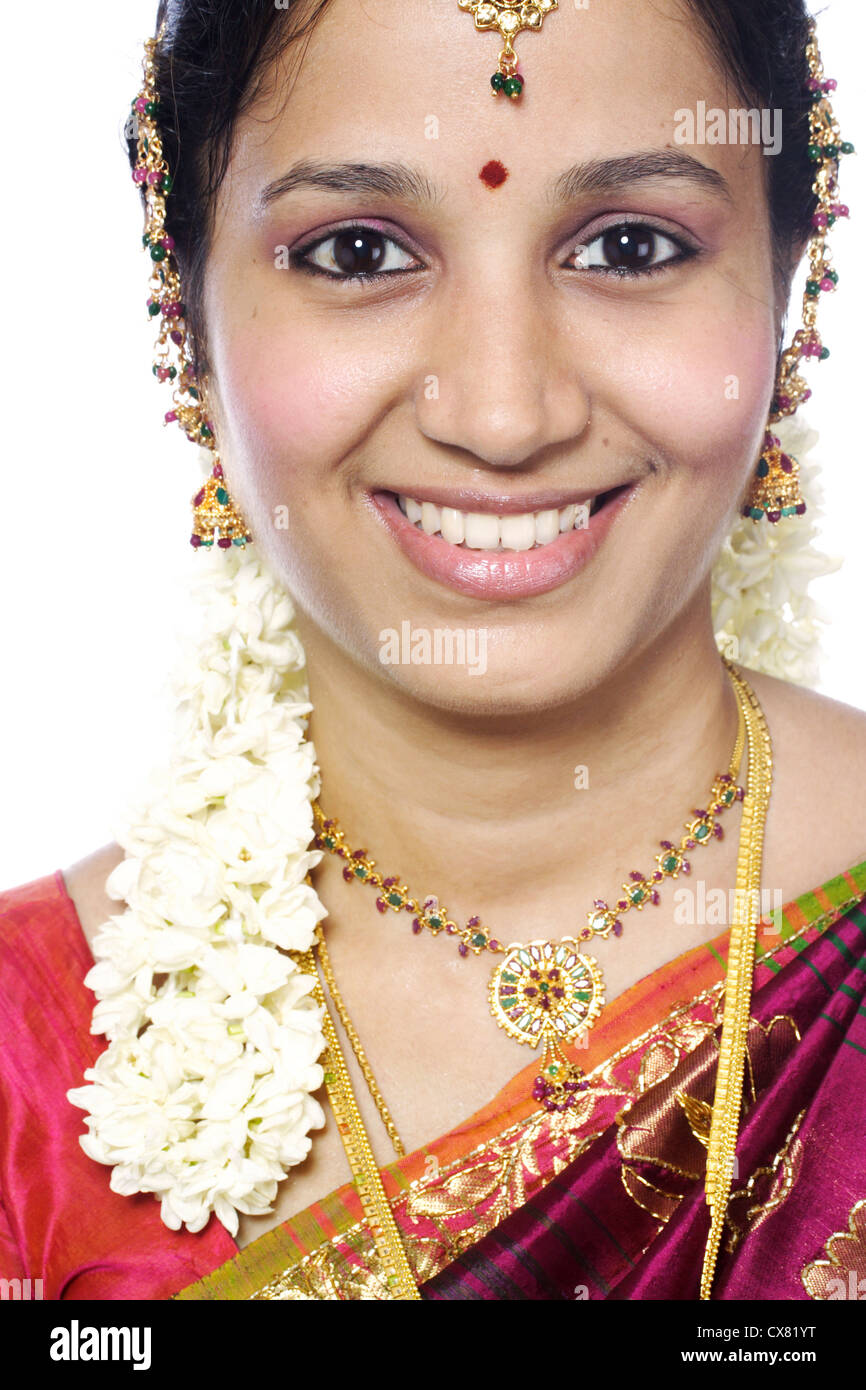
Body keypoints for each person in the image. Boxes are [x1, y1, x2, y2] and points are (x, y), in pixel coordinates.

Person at [1, 0, 864, 1302]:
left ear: (789, 292)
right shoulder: (21, 1070)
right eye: (356, 251)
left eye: (627, 245)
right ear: (184, 316)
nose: (504, 413)